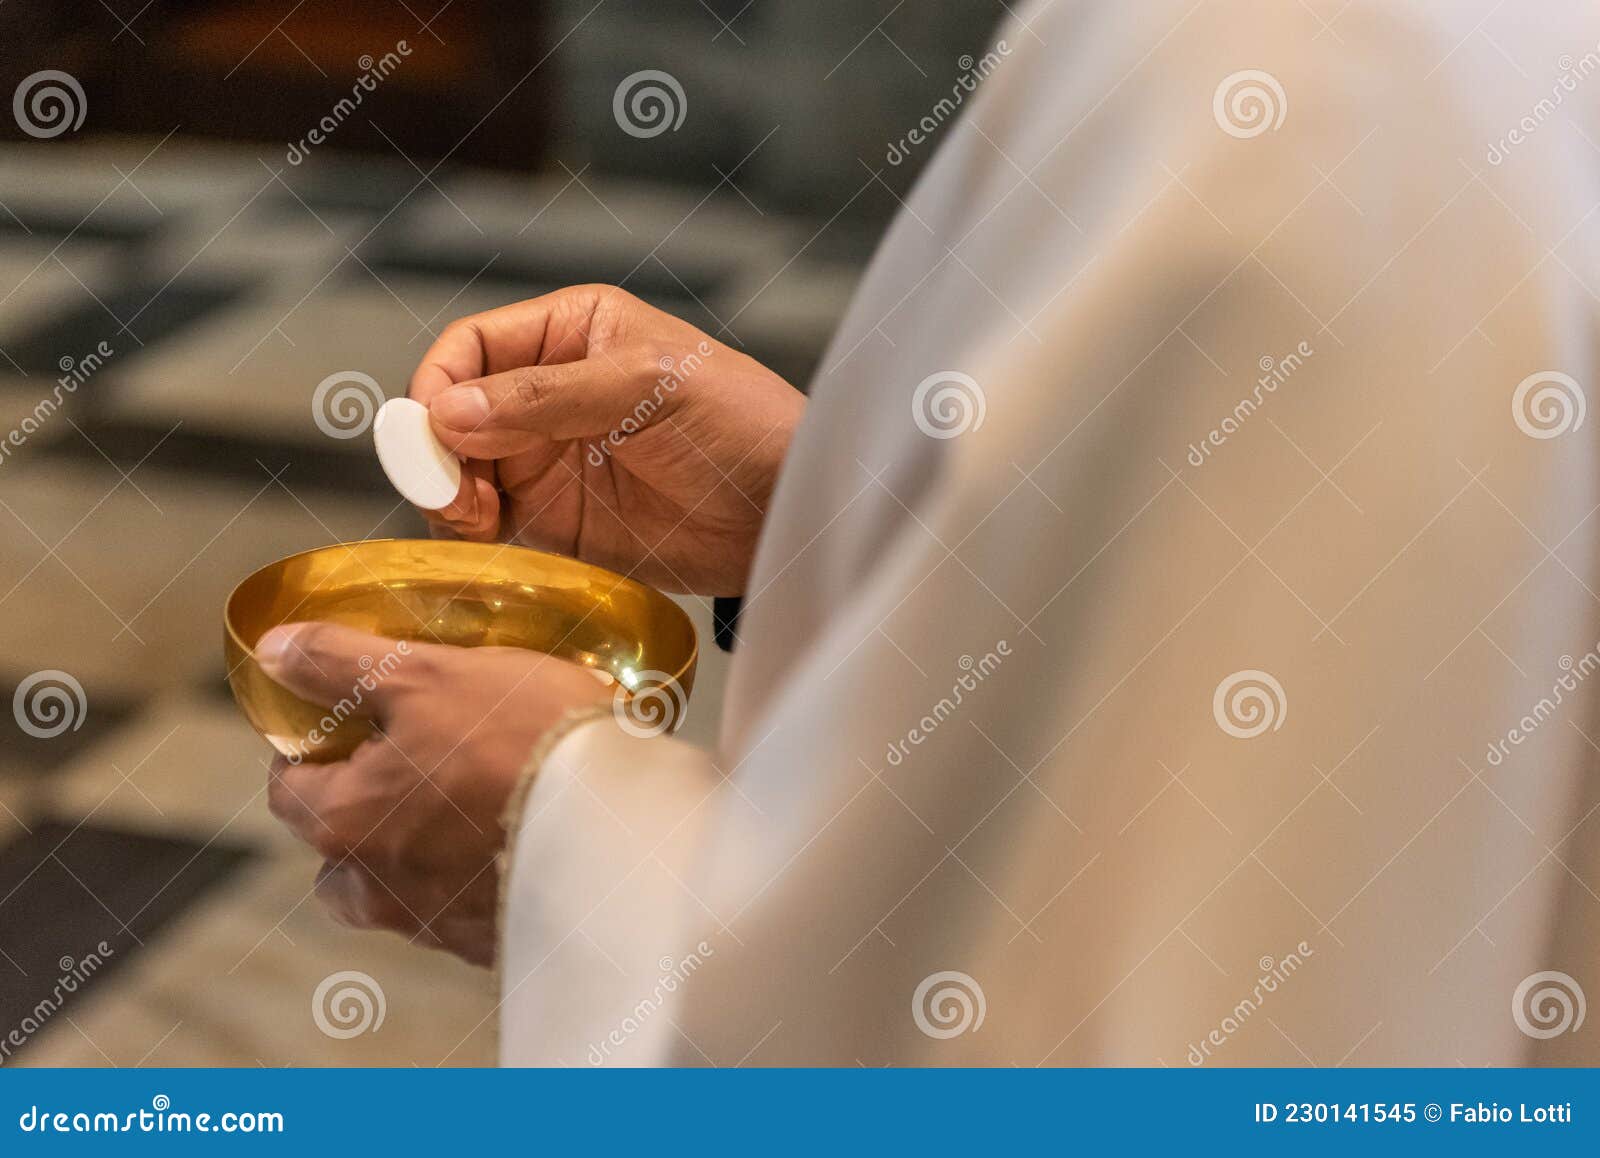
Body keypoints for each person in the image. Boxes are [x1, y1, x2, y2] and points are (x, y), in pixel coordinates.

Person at [257, 0, 1600, 1064]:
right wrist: (829, 508)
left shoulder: (1266, 71)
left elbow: (1027, 1022)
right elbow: (1351, 637)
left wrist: (551, 830)